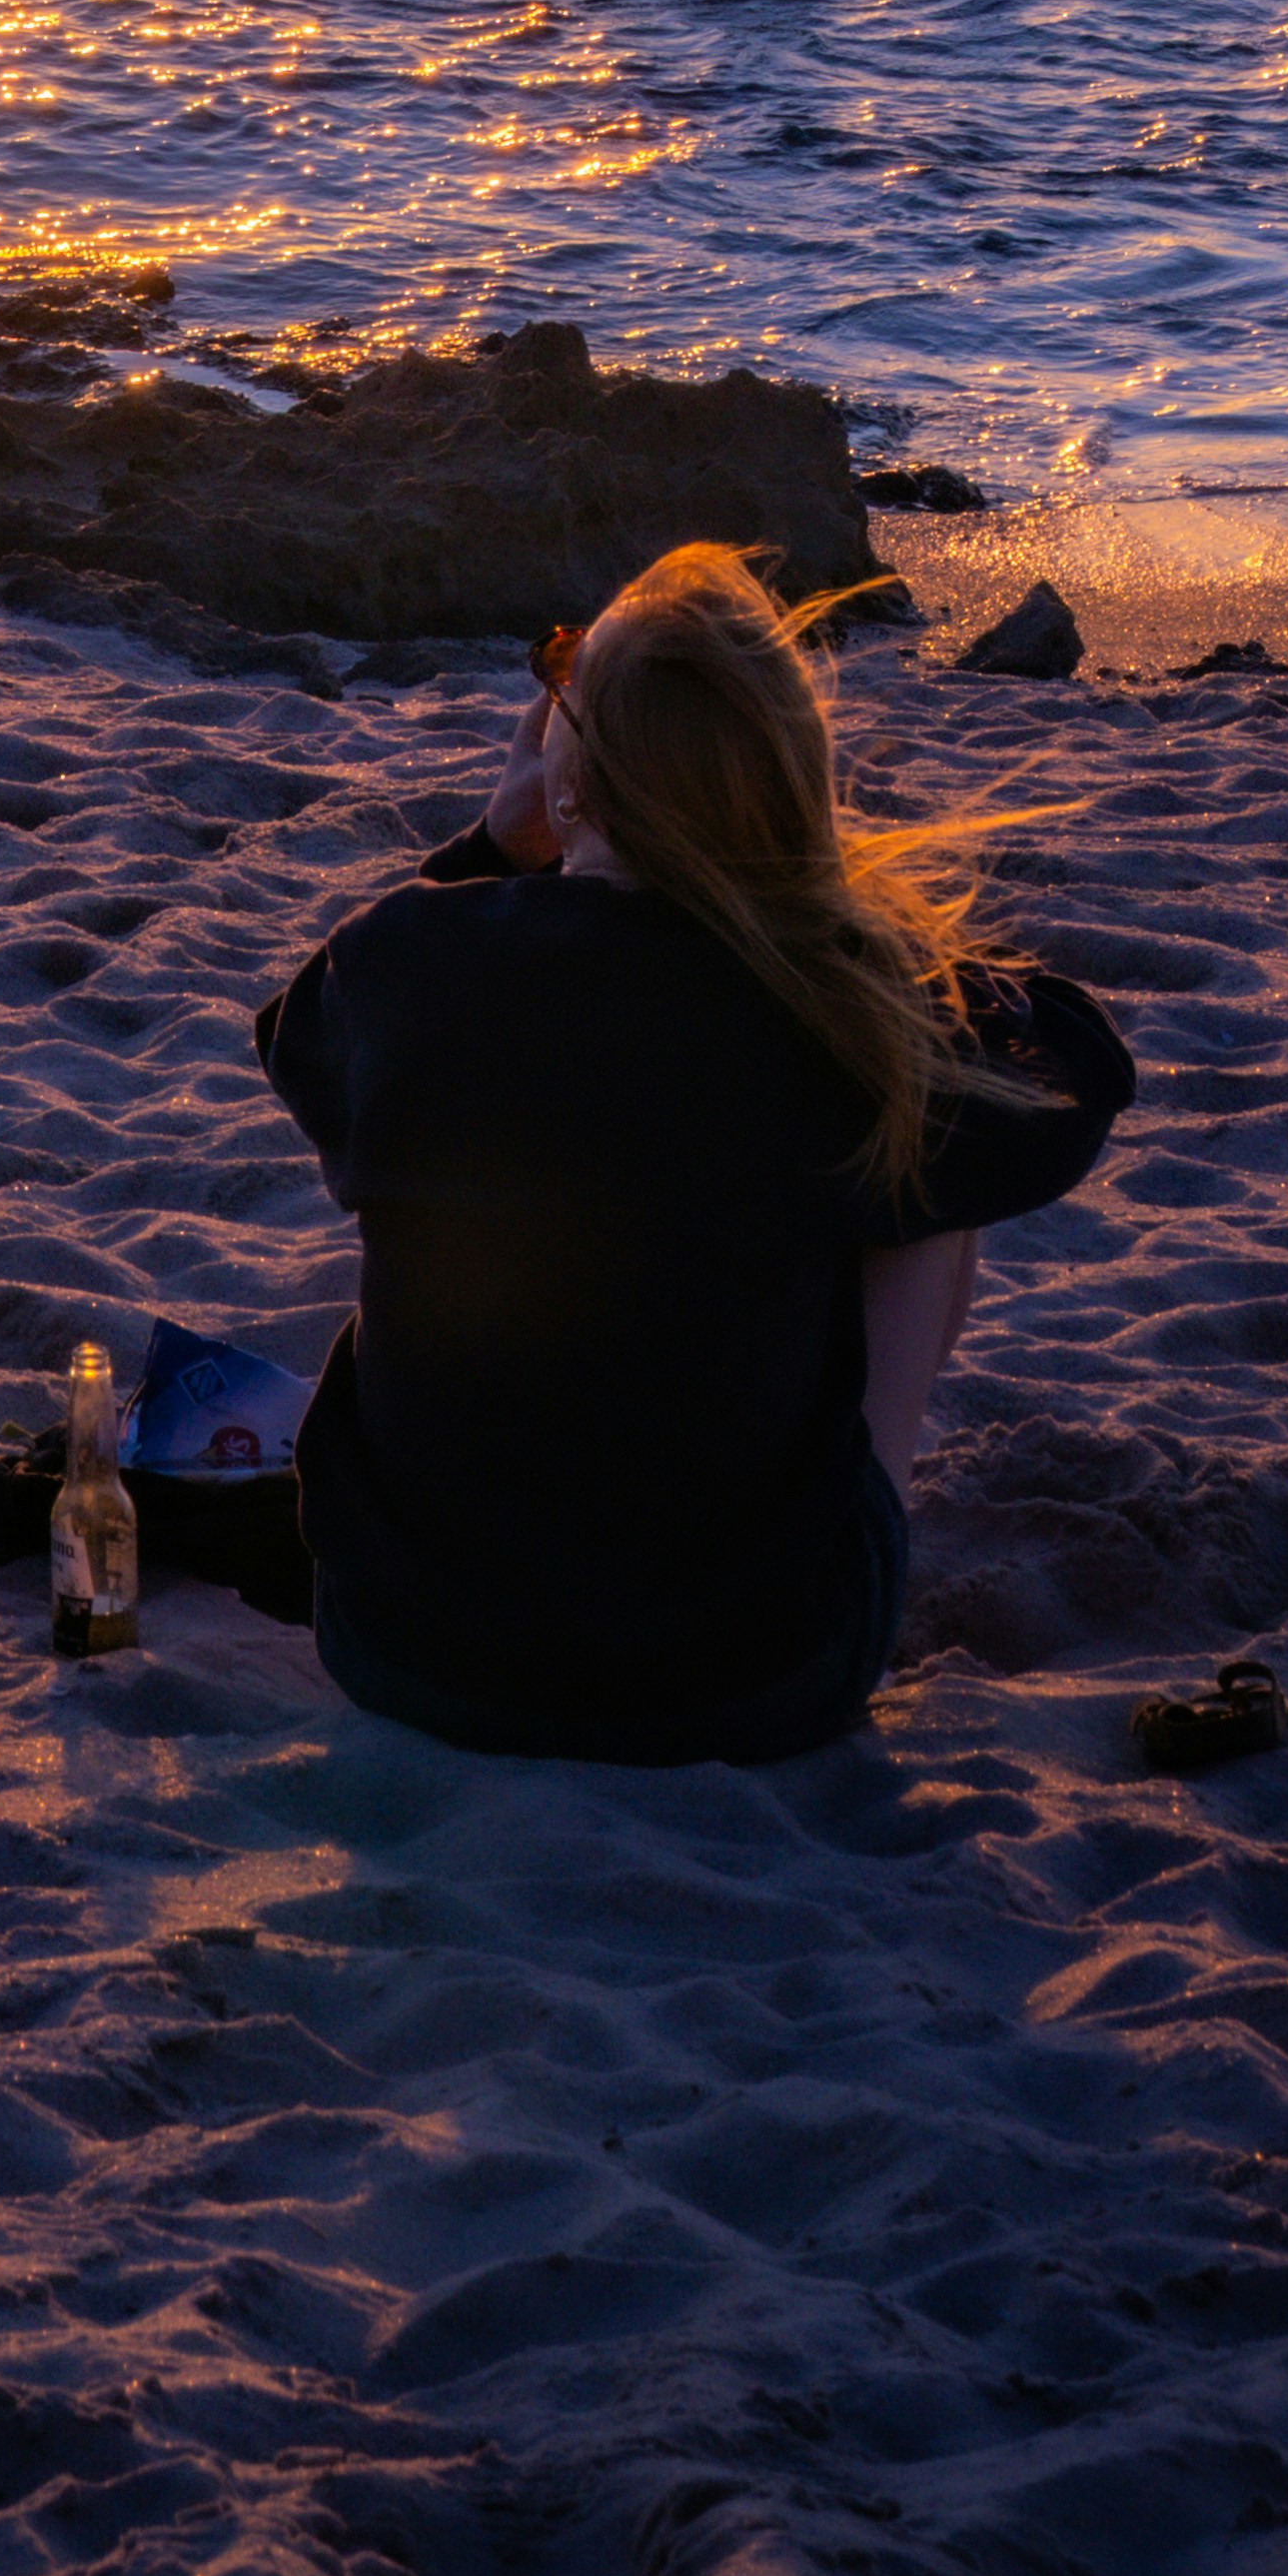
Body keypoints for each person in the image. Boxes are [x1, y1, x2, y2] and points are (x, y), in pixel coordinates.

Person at [251, 536, 1133, 1761]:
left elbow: (299, 1044)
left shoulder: (405, 958)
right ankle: (862, 1514)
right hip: (756, 1683)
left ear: (572, 785)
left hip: (405, 1658)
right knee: (919, 1163)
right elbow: (1078, 1068)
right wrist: (834, 923)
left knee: (442, 1177)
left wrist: (490, 852)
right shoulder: (834, 1008)